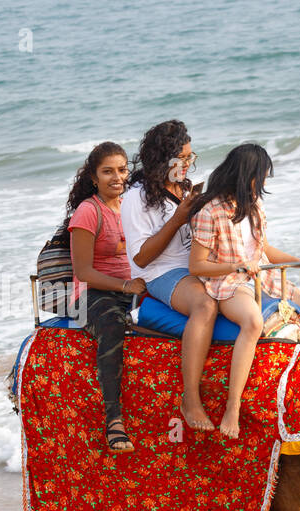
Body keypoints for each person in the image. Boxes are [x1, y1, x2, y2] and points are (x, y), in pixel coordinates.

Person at [188, 143, 300, 439]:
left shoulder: (254, 205)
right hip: (229, 283)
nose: (265, 183)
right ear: (248, 175)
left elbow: (265, 250)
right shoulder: (210, 211)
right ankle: (232, 408)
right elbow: (197, 266)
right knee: (253, 322)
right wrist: (237, 265)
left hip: (267, 278)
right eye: (263, 176)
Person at [123, 120, 219, 432]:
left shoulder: (186, 187)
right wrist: (178, 218)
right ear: (163, 160)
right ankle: (190, 399)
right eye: (183, 159)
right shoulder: (136, 198)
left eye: (192, 158)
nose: (189, 165)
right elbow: (141, 257)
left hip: (194, 263)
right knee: (205, 306)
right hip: (160, 272)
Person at [66, 141, 143, 453]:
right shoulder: (88, 211)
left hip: (132, 288)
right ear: (94, 178)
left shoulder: (132, 206)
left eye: (122, 169)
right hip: (91, 292)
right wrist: (125, 287)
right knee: (112, 325)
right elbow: (83, 271)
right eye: (107, 171)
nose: (117, 177)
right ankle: (114, 420)